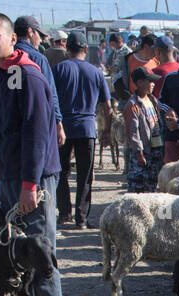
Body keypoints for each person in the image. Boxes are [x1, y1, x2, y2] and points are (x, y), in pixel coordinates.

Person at [0, 10, 68, 296]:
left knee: (41, 253)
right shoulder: (0, 72)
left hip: (35, 177)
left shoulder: (27, 75)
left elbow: (37, 135)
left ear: (12, 38)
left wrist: (30, 185)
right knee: (19, 256)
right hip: (11, 177)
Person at [52, 31, 109, 228]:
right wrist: (106, 129)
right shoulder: (96, 72)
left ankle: (64, 213)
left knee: (61, 172)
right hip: (87, 129)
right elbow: (107, 106)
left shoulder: (58, 69)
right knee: (85, 176)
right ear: (86, 49)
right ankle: (82, 219)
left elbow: (50, 100)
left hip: (62, 129)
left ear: (67, 49)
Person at [13, 16, 64, 146]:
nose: (40, 40)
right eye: (39, 35)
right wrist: (58, 122)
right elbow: (50, 93)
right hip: (35, 118)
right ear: (30, 32)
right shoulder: (38, 58)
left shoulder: (9, 55)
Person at [123, 66, 163, 192]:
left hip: (155, 150)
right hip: (142, 153)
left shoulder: (152, 100)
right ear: (139, 83)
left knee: (151, 186)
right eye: (150, 81)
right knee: (138, 187)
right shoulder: (133, 105)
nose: (153, 84)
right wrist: (139, 153)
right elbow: (133, 132)